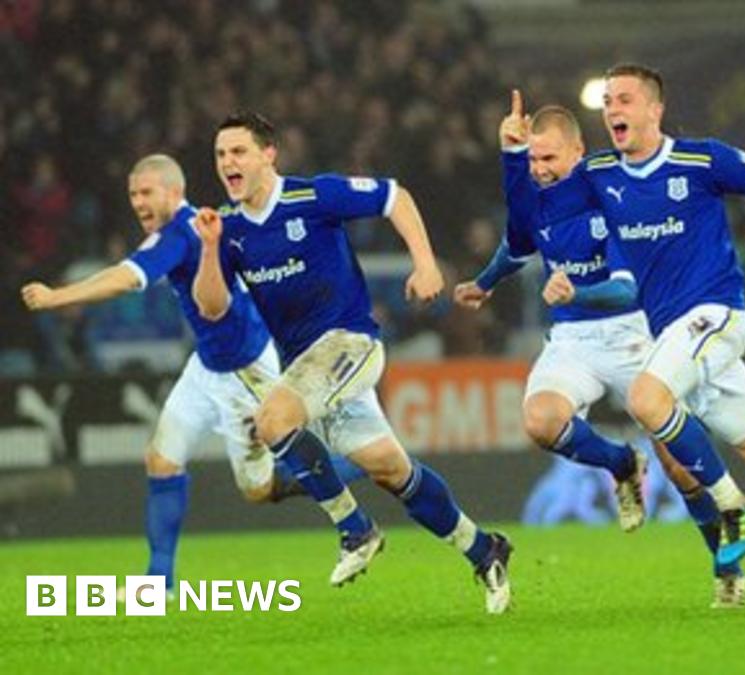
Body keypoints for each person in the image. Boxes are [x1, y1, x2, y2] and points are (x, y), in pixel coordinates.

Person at [513, 64, 745, 609]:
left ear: (654, 110)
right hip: (674, 335)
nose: (613, 110)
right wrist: (513, 155)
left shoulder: (699, 160)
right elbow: (532, 214)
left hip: (717, 313)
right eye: (608, 102)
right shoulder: (598, 173)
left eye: (624, 99)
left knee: (647, 400)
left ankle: (733, 506)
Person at [194, 111, 512, 613]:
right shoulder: (227, 229)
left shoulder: (313, 196)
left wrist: (425, 263)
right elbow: (212, 307)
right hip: (309, 369)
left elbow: (395, 197)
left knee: (272, 420)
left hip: (350, 343)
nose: (227, 162)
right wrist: (210, 249)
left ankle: (355, 529)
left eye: (238, 151)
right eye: (220, 154)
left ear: (268, 155)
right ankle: (485, 549)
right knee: (390, 469)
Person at [20, 154, 366, 597]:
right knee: (161, 460)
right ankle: (159, 582)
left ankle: (364, 461)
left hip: (245, 371)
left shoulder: (183, 233)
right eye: (133, 194)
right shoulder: (186, 231)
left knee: (260, 490)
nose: (137, 202)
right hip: (207, 364)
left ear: (173, 191)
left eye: (146, 192)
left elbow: (128, 278)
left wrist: (57, 297)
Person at [455, 95, 745, 607]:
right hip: (573, 340)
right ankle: (621, 464)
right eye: (533, 159)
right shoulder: (536, 197)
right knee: (540, 422)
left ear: (578, 152)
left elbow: (626, 288)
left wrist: (578, 291)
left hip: (634, 332)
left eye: (549, 158)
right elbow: (519, 242)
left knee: (680, 468)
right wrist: (484, 283)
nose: (540, 169)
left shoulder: (610, 193)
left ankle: (726, 568)